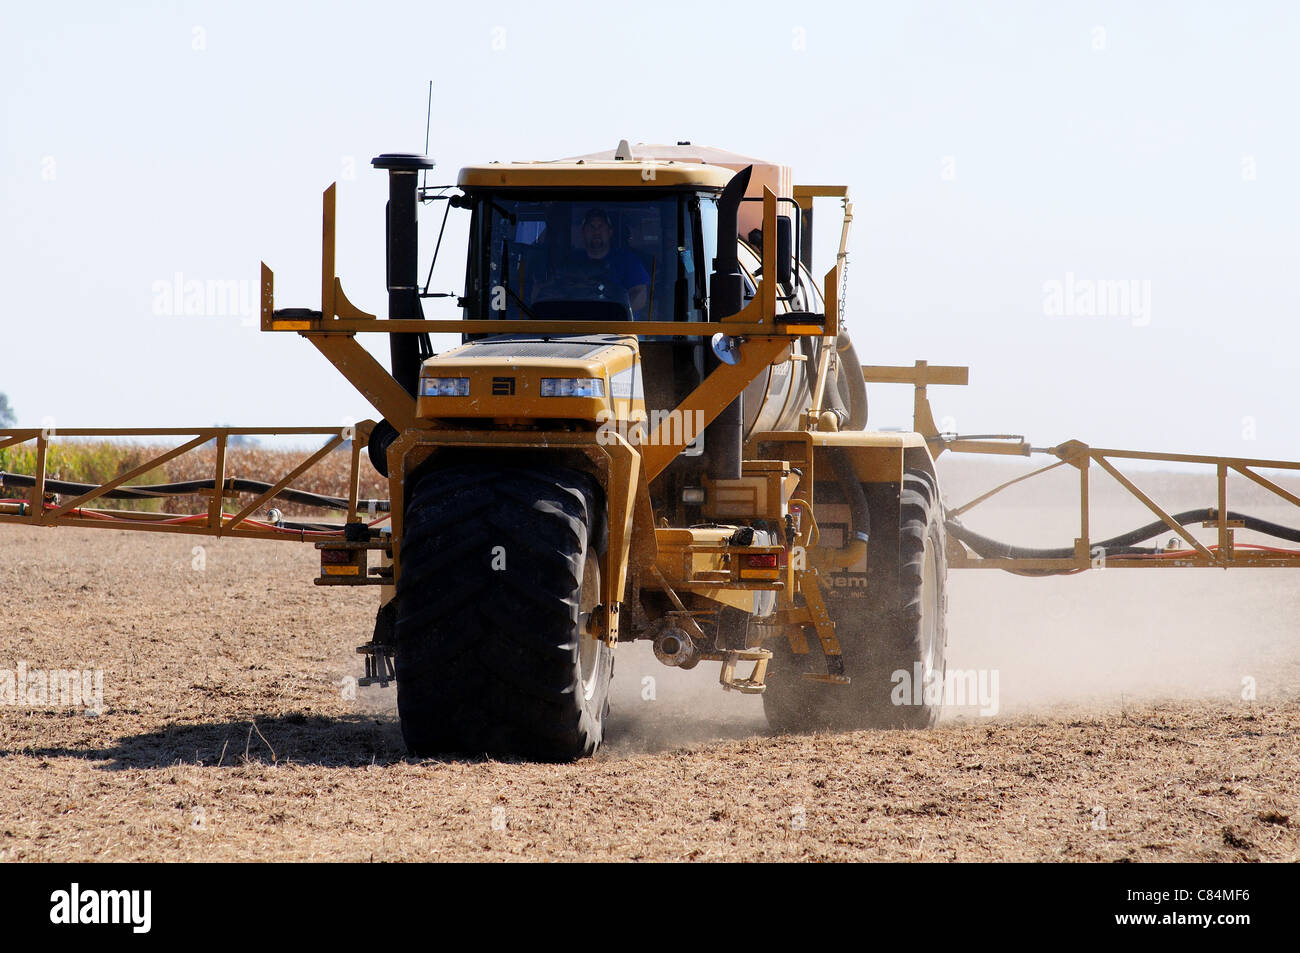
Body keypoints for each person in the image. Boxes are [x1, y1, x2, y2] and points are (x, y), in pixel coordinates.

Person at [570, 208, 651, 315]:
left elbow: (640, 294)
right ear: (583, 232)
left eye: (601, 226)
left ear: (610, 232)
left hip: (620, 329)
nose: (596, 231)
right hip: (579, 327)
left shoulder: (628, 261)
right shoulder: (572, 263)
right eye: (591, 227)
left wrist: (613, 315)